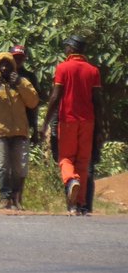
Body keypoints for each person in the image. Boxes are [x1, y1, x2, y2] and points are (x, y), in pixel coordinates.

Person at [41, 35, 103, 215]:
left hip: (68, 120)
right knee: (83, 162)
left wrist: (46, 122)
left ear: (71, 49)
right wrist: (100, 128)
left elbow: (55, 96)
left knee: (65, 158)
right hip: (88, 122)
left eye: (66, 47)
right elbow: (98, 101)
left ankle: (71, 180)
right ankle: (79, 204)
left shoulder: (63, 68)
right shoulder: (93, 71)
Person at [0, 50, 39, 210]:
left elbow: (33, 101)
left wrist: (19, 83)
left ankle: (16, 198)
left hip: (19, 132)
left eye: (7, 65)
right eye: (1, 65)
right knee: (3, 166)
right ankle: (5, 198)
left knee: (19, 167)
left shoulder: (22, 81)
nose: (4, 68)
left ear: (13, 66)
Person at [9, 44, 41, 144]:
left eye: (20, 58)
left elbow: (35, 104)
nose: (17, 60)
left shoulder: (30, 77)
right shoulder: (1, 76)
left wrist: (35, 129)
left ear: (25, 59)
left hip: (24, 125)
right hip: (5, 125)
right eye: (15, 57)